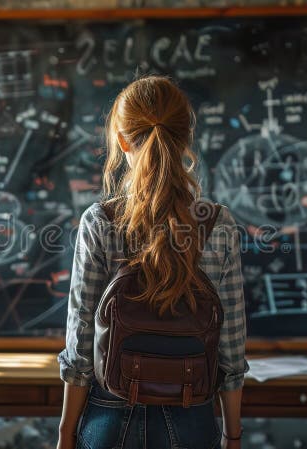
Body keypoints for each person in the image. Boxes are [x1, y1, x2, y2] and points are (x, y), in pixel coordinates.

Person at [57, 75, 248, 449]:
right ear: (186, 138)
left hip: (109, 415)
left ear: (122, 140)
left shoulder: (100, 221)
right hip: (192, 415)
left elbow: (81, 343)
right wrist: (232, 433)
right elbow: (232, 344)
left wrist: (65, 434)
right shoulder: (217, 223)